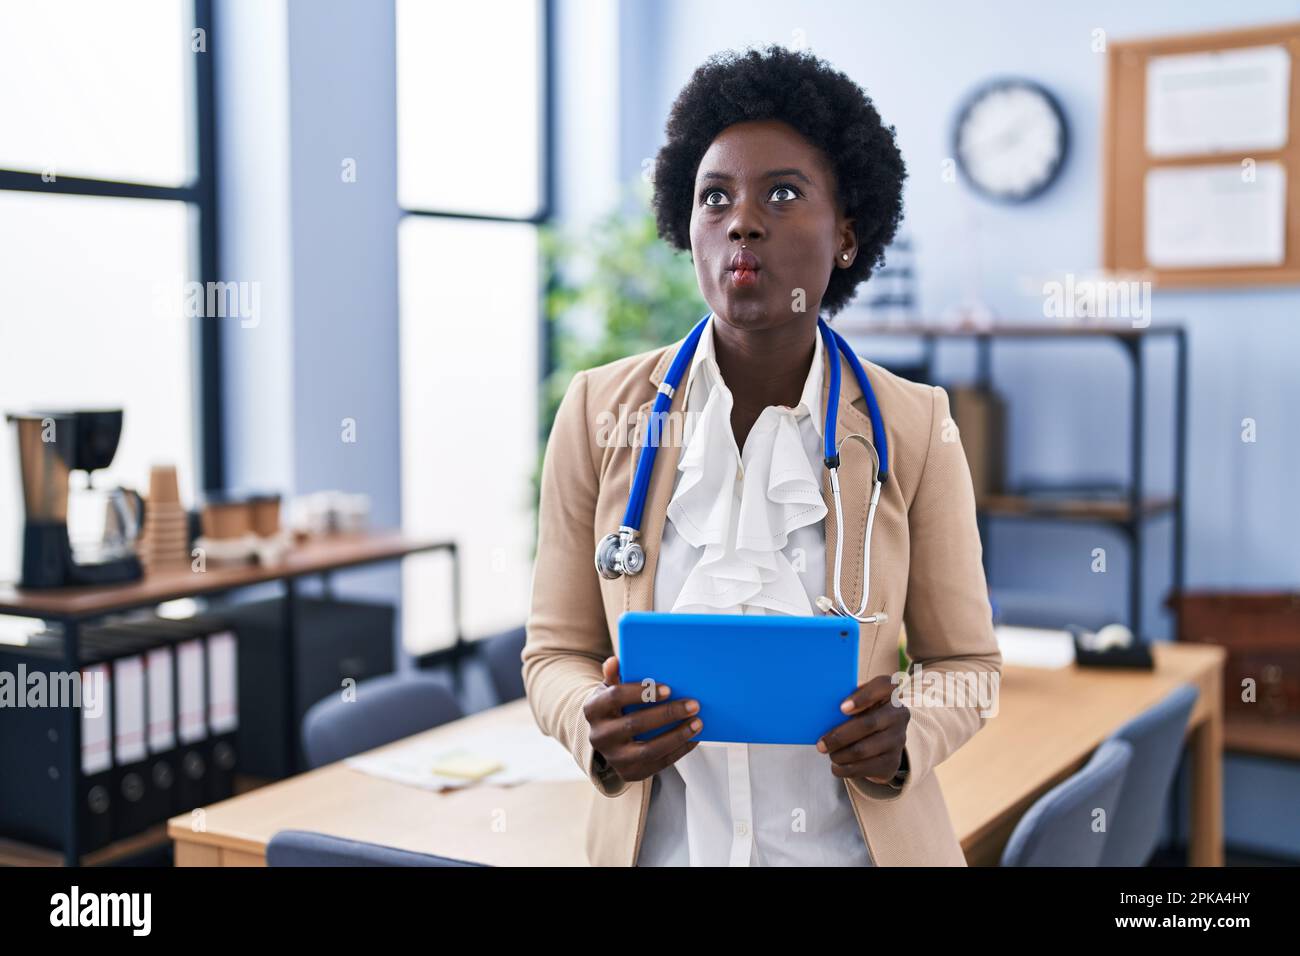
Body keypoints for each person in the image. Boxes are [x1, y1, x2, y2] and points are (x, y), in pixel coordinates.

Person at [523, 45, 1001, 866]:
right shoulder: (602, 414)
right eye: (716, 198)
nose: (743, 219)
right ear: (688, 227)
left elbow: (968, 663)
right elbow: (554, 653)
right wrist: (588, 723)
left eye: (783, 193)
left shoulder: (916, 426)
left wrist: (908, 731)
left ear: (847, 234)